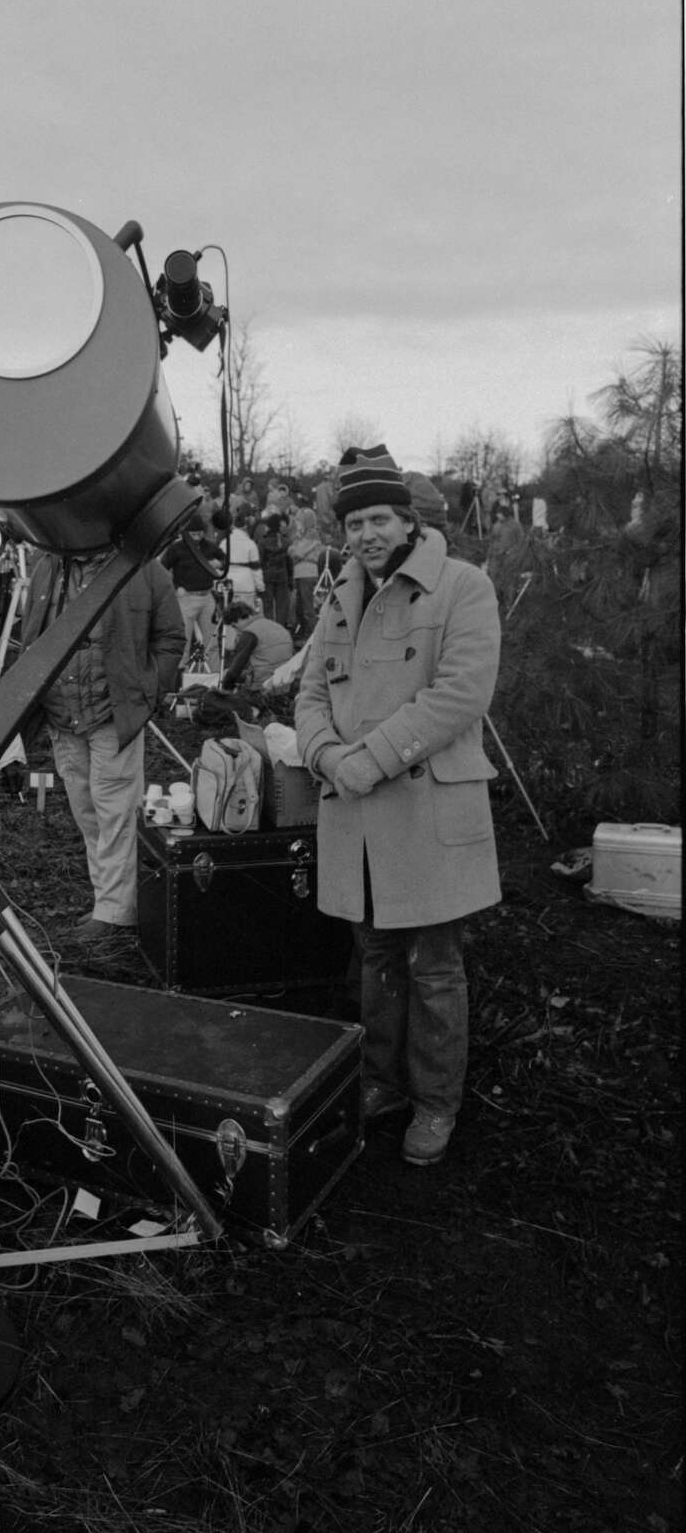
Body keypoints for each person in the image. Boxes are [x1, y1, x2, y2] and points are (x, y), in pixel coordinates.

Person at [294, 444, 501, 1168]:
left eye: (379, 518)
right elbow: (311, 694)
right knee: (375, 956)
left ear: (409, 520)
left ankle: (437, 1102)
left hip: (423, 809)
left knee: (433, 965)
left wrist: (368, 760)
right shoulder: (338, 596)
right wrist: (325, 755)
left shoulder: (463, 587)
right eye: (354, 523)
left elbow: (460, 695)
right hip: (354, 811)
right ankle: (382, 1083)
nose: (366, 534)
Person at [19, 542, 184, 955]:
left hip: (114, 713)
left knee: (116, 810)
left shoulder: (142, 567)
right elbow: (32, 633)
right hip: (63, 714)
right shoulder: (48, 567)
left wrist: (149, 691)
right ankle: (108, 900)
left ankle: (117, 912)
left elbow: (170, 636)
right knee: (87, 810)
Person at [161, 509, 222, 674]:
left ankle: (215, 676)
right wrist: (175, 588)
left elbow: (223, 559)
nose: (197, 536)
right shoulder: (176, 549)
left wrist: (216, 564)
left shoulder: (209, 546)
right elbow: (162, 570)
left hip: (207, 597)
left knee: (212, 641)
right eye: (194, 533)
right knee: (183, 641)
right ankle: (182, 677)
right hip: (186, 598)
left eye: (200, 533)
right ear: (186, 533)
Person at [220, 601, 295, 691]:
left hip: (263, 686)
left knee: (226, 674)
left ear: (240, 619)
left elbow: (236, 669)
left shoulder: (250, 633)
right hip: (286, 682)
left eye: (234, 626)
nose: (237, 631)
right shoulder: (276, 626)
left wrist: (224, 689)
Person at [211, 507, 261, 611]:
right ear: (246, 527)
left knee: (229, 615)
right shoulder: (250, 544)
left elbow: (219, 566)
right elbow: (256, 568)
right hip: (246, 585)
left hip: (228, 585)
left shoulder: (224, 543)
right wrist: (260, 586)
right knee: (246, 614)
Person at [288, 504, 324, 637]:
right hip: (299, 573)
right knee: (299, 607)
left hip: (307, 573)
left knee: (307, 607)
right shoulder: (300, 536)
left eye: (298, 520)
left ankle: (313, 634)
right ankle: (304, 631)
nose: (296, 523)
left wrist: (294, 551)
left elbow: (297, 552)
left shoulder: (312, 534)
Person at [253, 512, 293, 628]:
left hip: (267, 577)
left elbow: (259, 562)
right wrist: (290, 579)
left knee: (268, 605)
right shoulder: (286, 541)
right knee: (282, 606)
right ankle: (281, 628)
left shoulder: (262, 541)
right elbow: (289, 562)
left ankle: (269, 628)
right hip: (282, 576)